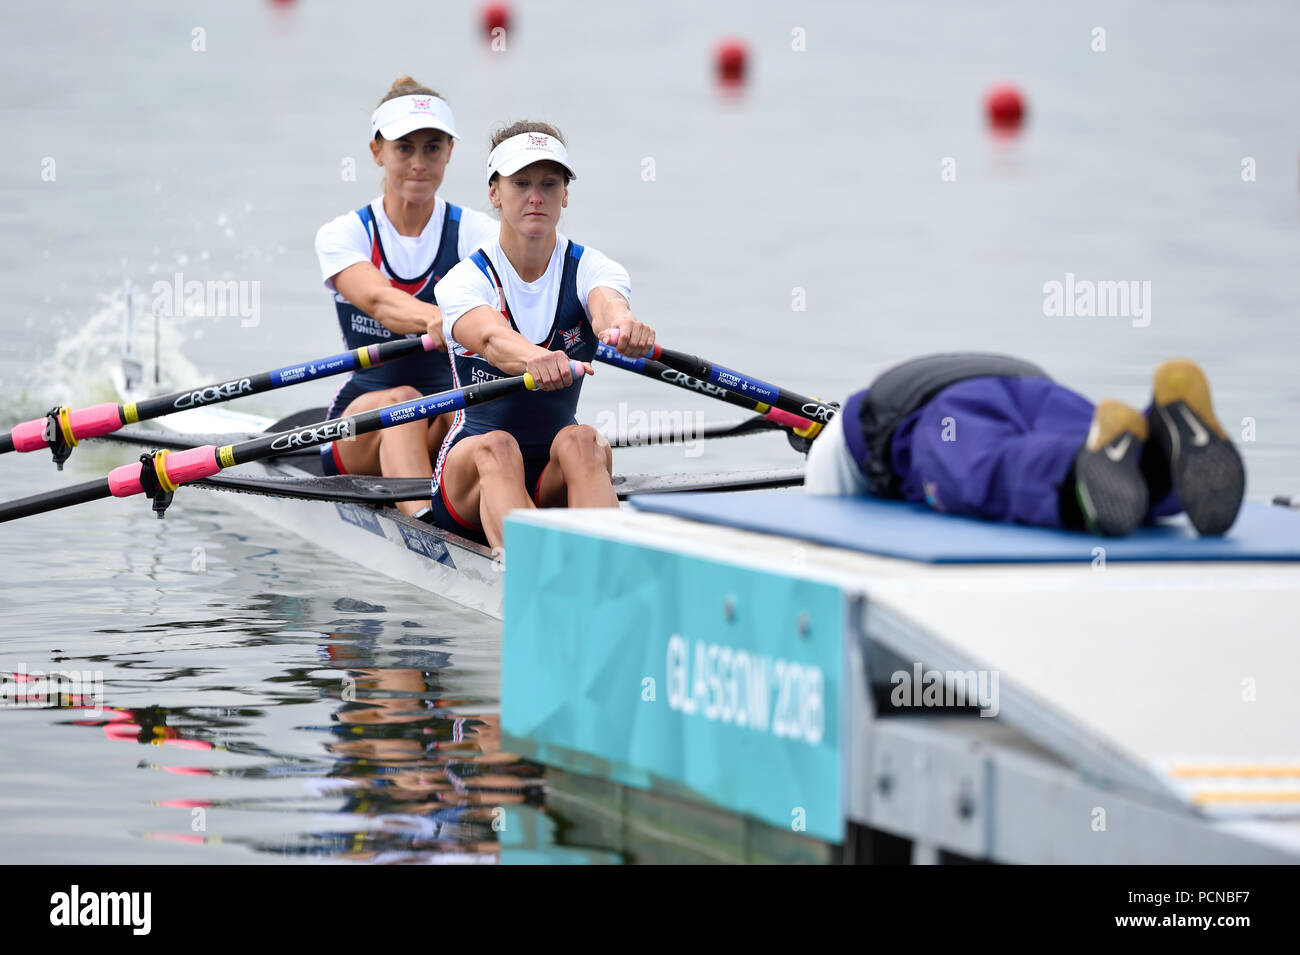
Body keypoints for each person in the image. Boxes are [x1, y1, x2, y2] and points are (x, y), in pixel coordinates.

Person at [430, 122, 655, 549]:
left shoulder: (594, 267)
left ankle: (607, 570)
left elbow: (609, 306)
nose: (536, 197)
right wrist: (536, 356)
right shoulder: (463, 282)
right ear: (495, 193)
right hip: (471, 473)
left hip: (554, 474)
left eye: (549, 184)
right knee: (497, 446)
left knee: (585, 439)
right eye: (521, 183)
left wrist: (622, 326)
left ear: (565, 195)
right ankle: (530, 573)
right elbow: (493, 339)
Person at [803, 353, 1246, 537]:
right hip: (1034, 386)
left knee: (990, 472)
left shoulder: (841, 452)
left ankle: (1075, 480)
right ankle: (1160, 458)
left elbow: (825, 529)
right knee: (1097, 446)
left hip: (940, 406)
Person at [314, 78, 498, 518]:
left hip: (447, 418)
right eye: (404, 149)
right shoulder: (345, 235)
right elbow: (379, 301)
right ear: (377, 152)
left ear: (450, 151)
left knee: (495, 433)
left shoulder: (476, 233)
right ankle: (424, 526)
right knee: (404, 400)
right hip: (360, 425)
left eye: (432, 148)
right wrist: (440, 317)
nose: (419, 164)